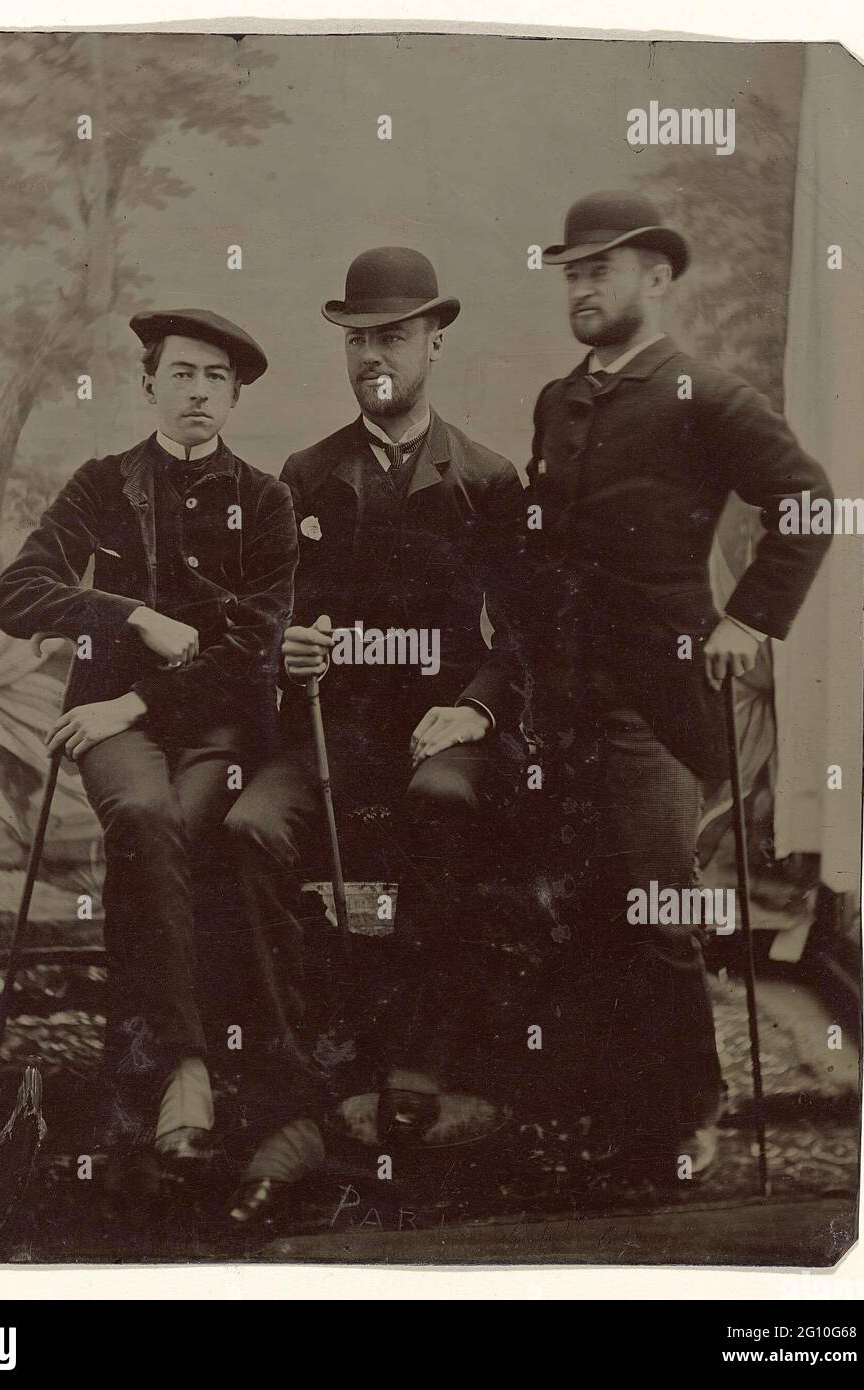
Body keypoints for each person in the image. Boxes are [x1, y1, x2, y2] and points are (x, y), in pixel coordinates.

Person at [522, 191, 835, 1179]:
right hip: (563, 695)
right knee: (588, 909)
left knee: (656, 909)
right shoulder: (559, 399)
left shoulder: (704, 391)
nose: (580, 285)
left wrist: (747, 618)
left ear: (656, 278)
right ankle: (609, 1115)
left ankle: (686, 1117)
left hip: (656, 699)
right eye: (570, 270)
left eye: (599, 269)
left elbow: (808, 500)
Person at [224, 247, 526, 1219]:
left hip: (447, 728)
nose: (373, 355)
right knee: (252, 825)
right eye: (359, 339)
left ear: (435, 340)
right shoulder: (307, 475)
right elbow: (275, 615)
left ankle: (420, 1059)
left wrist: (476, 705)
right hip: (339, 726)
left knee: (442, 799)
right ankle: (295, 1076)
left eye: (393, 334)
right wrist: (291, 654)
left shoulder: (485, 477)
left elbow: (528, 632)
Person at [0, 308, 298, 1192]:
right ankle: (189, 1066)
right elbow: (20, 593)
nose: (198, 391)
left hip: (213, 727)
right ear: (150, 383)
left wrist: (133, 700)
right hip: (112, 728)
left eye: (216, 378)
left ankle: (156, 1060)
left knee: (188, 827)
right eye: (182, 373)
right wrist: (128, 615)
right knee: (141, 813)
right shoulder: (103, 484)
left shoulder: (268, 500)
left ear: (236, 394)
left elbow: (254, 655)